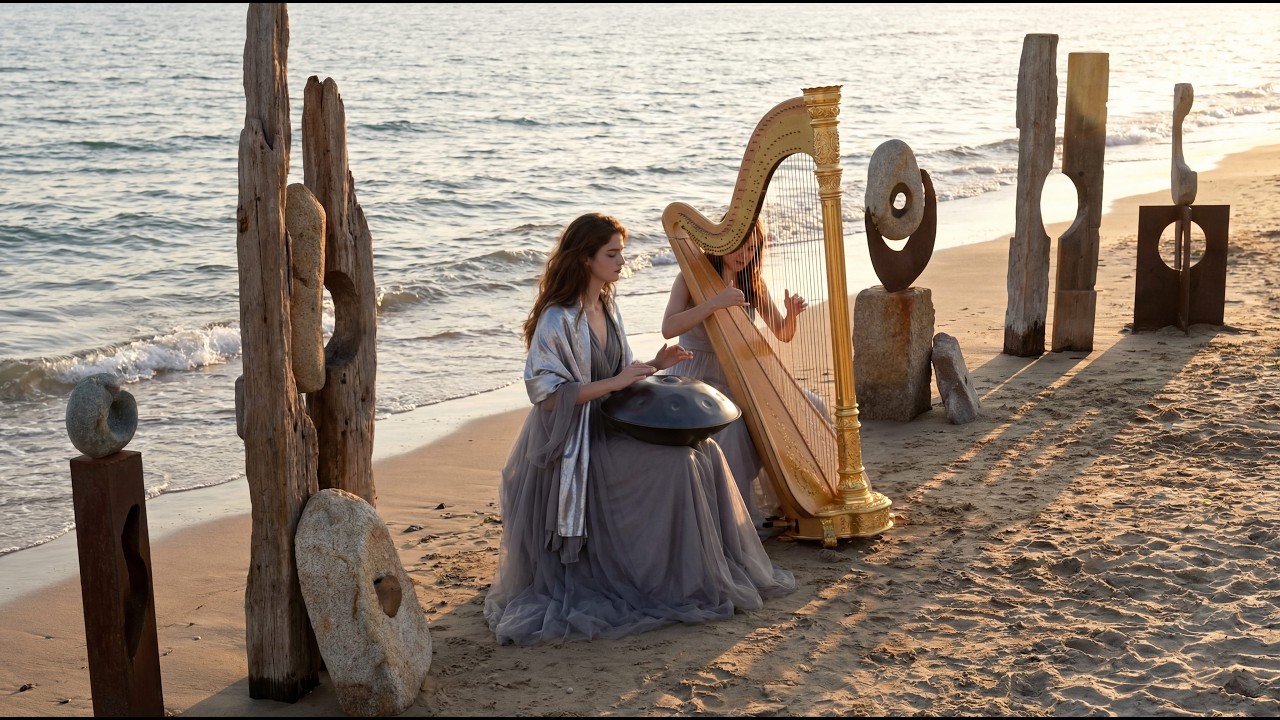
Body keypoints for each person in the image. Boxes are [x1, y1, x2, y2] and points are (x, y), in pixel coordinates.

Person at [484, 212, 796, 646]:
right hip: (578, 439)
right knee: (674, 466)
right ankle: (669, 581)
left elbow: (623, 372)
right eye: (612, 254)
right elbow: (548, 395)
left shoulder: (607, 306)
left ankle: (699, 572)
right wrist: (615, 382)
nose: (620, 262)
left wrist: (656, 364)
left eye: (621, 253)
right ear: (585, 258)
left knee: (704, 451)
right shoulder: (558, 319)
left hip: (613, 420)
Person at [659, 216, 810, 531]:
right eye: (740, 246)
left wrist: (791, 315)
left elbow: (781, 332)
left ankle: (799, 497)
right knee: (736, 427)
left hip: (737, 374)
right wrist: (714, 304)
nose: (745, 255)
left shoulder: (752, 280)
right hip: (696, 374)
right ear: (723, 240)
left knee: (806, 406)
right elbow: (669, 327)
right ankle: (733, 522)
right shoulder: (691, 277)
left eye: (753, 248)